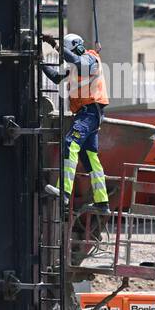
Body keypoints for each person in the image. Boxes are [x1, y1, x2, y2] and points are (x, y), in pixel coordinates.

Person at [41, 32, 110, 215]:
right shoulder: (74, 68)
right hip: (86, 114)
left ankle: (64, 192)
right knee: (90, 158)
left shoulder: (91, 59)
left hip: (89, 112)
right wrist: (41, 62)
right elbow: (57, 77)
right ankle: (102, 202)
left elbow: (80, 64)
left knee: (70, 143)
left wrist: (56, 46)